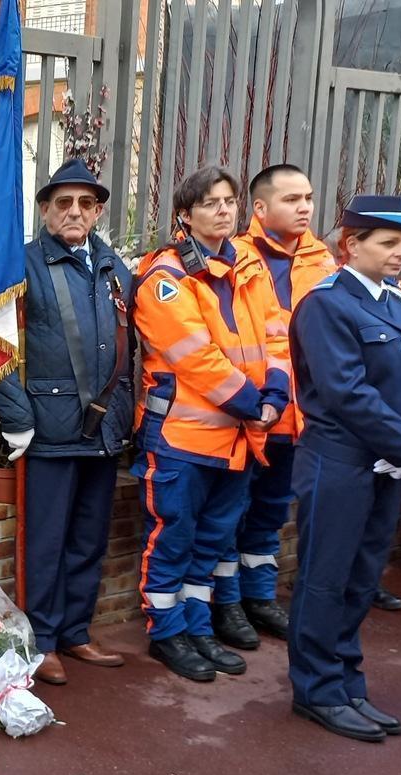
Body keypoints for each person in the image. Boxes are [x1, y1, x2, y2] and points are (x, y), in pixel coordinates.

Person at [131, 166, 290, 682]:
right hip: (182, 437)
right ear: (185, 215)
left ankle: (197, 626)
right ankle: (166, 632)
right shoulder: (166, 278)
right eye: (210, 203)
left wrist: (277, 391)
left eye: (229, 201)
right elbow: (194, 358)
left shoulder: (248, 262)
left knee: (213, 540)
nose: (224, 210)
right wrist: (255, 402)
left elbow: (276, 333)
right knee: (174, 536)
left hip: (239, 434)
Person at [287, 194, 401, 742]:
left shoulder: (400, 303)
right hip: (340, 461)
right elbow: (345, 390)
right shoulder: (327, 303)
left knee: (362, 578)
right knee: (325, 579)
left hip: (387, 463)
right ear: (351, 244)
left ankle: (347, 680)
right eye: (389, 242)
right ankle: (316, 690)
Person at [0, 159, 134, 685]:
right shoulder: (21, 266)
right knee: (46, 541)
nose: (75, 212)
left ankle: (76, 630)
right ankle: (43, 640)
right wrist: (17, 418)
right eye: (64, 203)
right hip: (48, 428)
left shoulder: (117, 270)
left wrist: (127, 416)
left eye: (86, 203)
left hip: (103, 430)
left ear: (97, 212)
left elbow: (129, 350)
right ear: (46, 210)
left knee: (88, 537)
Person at [213, 164, 336, 649]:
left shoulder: (323, 261)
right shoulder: (235, 257)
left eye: (308, 197)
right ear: (260, 208)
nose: (304, 207)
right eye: (291, 199)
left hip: (299, 417)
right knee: (230, 513)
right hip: (249, 413)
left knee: (269, 515)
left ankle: (259, 597)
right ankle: (226, 603)